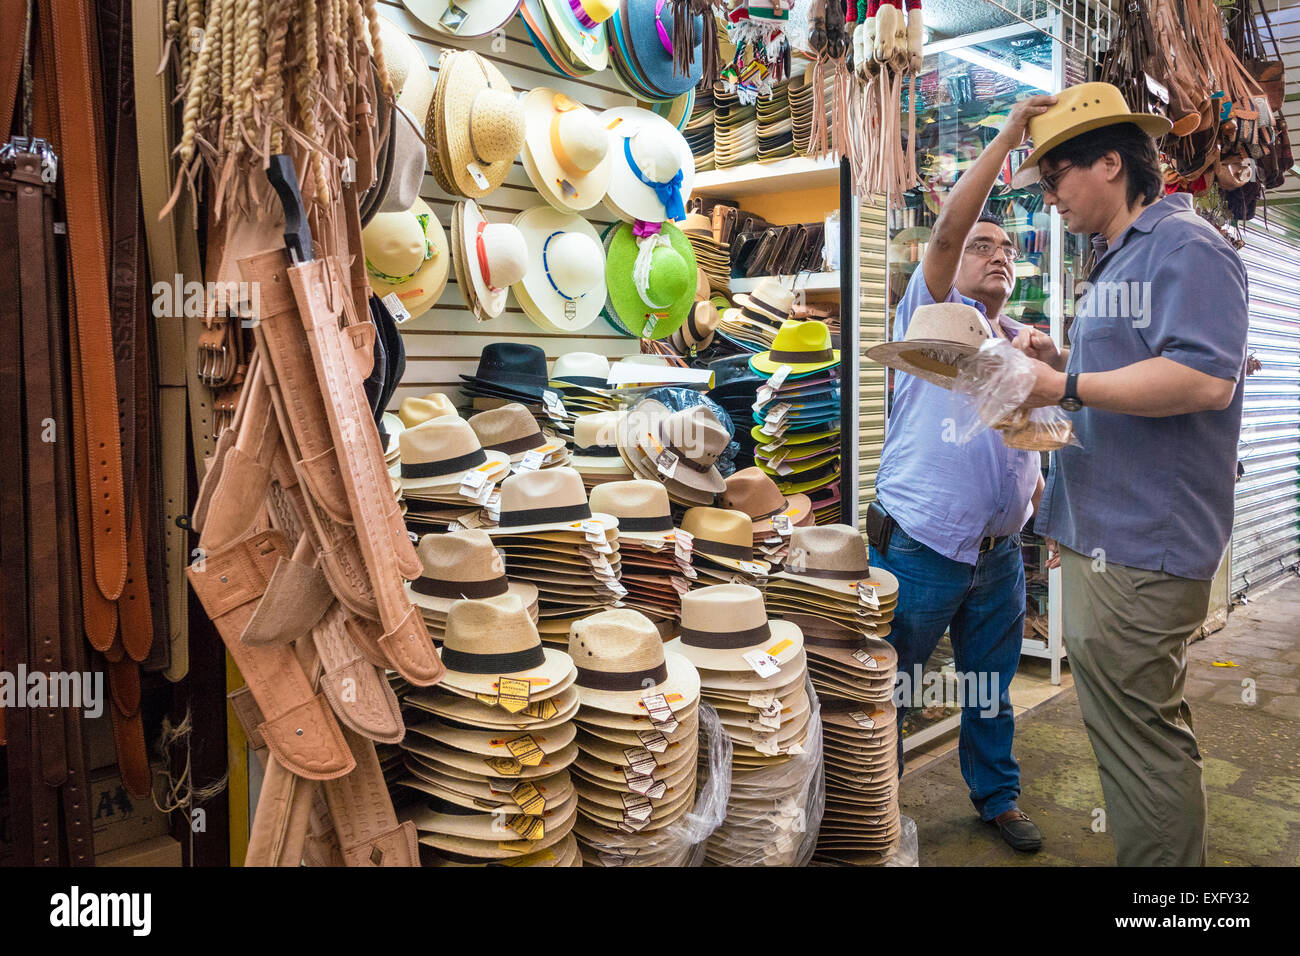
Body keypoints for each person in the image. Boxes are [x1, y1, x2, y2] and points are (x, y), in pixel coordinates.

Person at [1013, 83, 1249, 866]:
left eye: (1058, 179)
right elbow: (1136, 374)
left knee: (1142, 745)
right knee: (1132, 733)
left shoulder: (1186, 247)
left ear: (1111, 162)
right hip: (1108, 534)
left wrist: (1069, 385)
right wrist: (1064, 362)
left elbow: (1204, 380)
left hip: (1144, 546)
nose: (1052, 200)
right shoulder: (1123, 254)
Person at [869, 93, 1057, 853]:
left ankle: (996, 798)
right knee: (893, 690)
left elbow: (1040, 433)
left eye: (1008, 249)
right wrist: (1013, 132)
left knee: (991, 689)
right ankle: (870, 805)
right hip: (921, 547)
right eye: (985, 246)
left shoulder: (1022, 340)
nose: (998, 255)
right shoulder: (932, 315)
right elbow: (947, 227)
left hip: (998, 558)